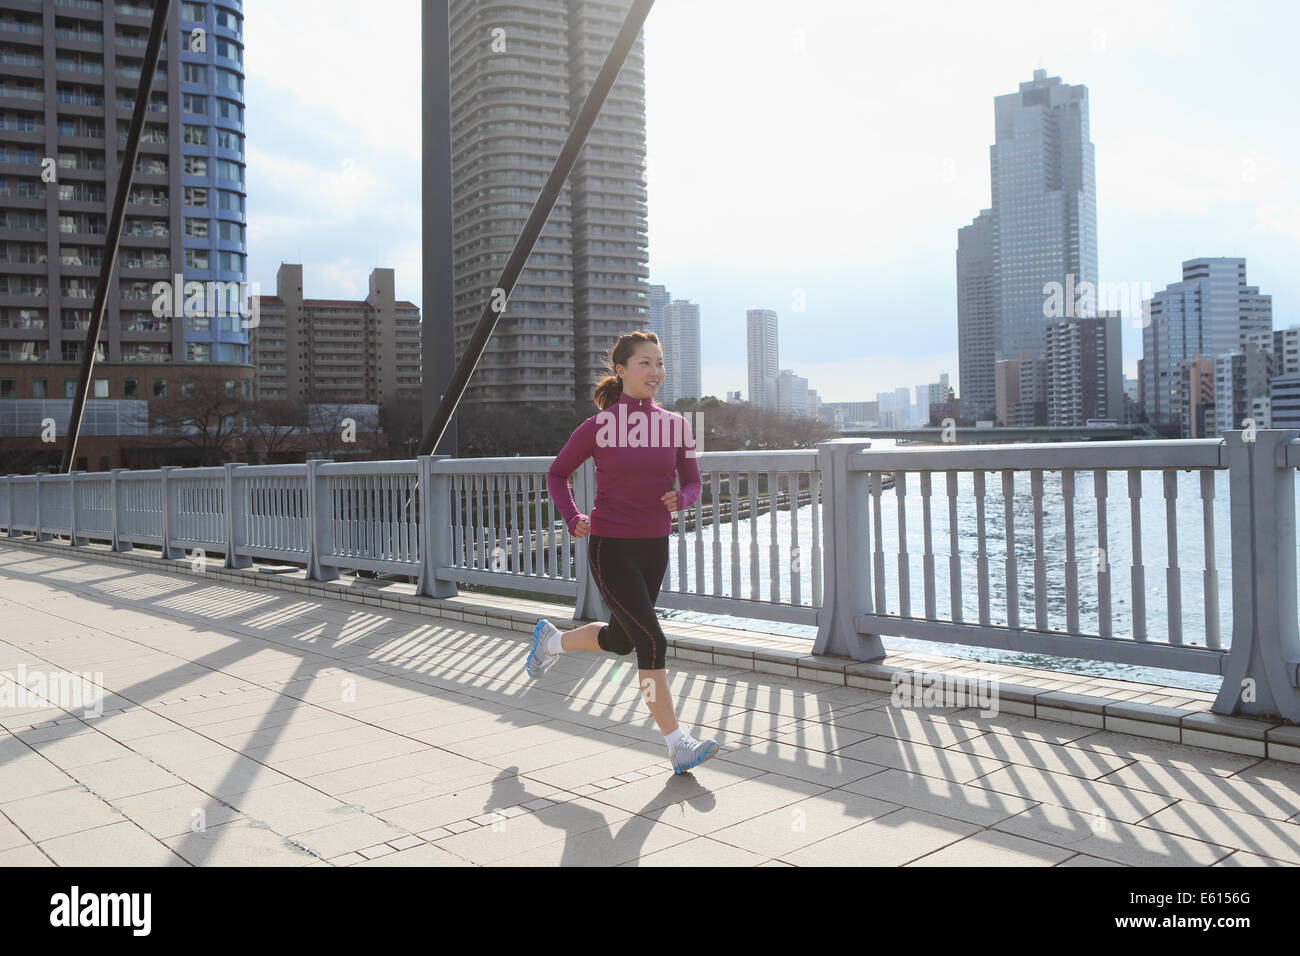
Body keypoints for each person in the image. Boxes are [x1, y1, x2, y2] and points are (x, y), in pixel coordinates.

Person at [525, 331, 720, 774]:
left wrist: (683, 499)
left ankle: (551, 640)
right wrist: (573, 516)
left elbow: (692, 480)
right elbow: (558, 474)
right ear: (622, 370)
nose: (656, 372)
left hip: (655, 546)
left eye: (659, 363)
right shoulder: (599, 426)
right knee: (652, 641)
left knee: (619, 639)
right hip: (611, 548)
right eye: (645, 363)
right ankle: (677, 744)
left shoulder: (676, 425)